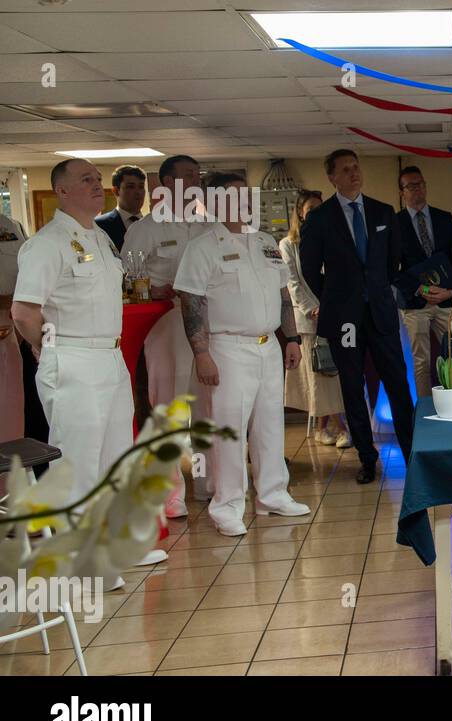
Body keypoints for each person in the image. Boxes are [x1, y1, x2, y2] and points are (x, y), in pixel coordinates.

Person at [175, 172, 310, 537]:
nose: (244, 203)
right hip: (227, 347)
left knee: (269, 423)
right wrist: (201, 353)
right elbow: (191, 303)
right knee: (229, 430)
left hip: (268, 346)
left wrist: (293, 338)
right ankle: (228, 505)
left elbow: (283, 296)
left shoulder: (265, 241)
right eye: (234, 196)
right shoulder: (201, 248)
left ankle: (272, 494)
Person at [10, 159, 133, 501]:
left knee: (117, 454)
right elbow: (23, 311)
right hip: (72, 357)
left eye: (98, 178)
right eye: (86, 180)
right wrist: (47, 347)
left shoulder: (101, 237)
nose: (98, 185)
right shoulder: (48, 243)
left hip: (111, 355)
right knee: (78, 461)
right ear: (61, 190)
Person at [299, 149, 420, 485]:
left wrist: (378, 291)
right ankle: (368, 459)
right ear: (332, 177)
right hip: (345, 320)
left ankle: (412, 455)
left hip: (380, 314)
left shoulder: (383, 213)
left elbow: (394, 260)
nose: (354, 174)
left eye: (356, 167)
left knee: (397, 385)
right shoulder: (320, 219)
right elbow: (309, 270)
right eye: (345, 169)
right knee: (353, 389)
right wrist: (337, 299)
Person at [122, 154, 215, 517]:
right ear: (167, 184)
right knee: (169, 410)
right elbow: (127, 282)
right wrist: (155, 289)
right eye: (188, 175)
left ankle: (208, 485)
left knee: (206, 408)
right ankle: (171, 495)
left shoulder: (210, 226)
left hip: (208, 326)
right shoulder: (146, 229)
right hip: (167, 326)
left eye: (198, 175)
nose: (196, 181)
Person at [282, 189, 350, 448]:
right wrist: (314, 309)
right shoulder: (288, 245)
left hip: (337, 317)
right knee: (320, 375)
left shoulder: (331, 239)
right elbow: (292, 284)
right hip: (310, 320)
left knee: (334, 376)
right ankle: (340, 427)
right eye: (311, 211)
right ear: (300, 213)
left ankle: (323, 428)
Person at [394, 165, 452, 396]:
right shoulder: (395, 224)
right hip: (415, 304)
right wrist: (420, 288)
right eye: (411, 186)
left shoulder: (445, 219)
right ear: (402, 192)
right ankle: (425, 410)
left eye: (421, 184)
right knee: (421, 361)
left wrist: (450, 291)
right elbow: (391, 270)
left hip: (445, 300)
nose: (418, 189)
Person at [1, 212, 28, 443]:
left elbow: (30, 272)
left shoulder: (11, 225)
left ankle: (9, 479)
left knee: (12, 418)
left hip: (13, 330)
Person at [95, 164, 147, 253]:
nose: (138, 192)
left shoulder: (153, 224)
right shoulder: (99, 225)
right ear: (116, 191)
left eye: (141, 186)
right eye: (131, 186)